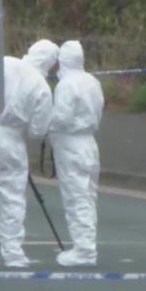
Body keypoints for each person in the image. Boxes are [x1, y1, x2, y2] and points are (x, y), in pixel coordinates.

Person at [0, 39, 59, 268]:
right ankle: (12, 253)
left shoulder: (4, 62)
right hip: (11, 138)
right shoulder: (41, 87)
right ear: (50, 63)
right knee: (12, 196)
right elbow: (38, 131)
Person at [49, 40, 104, 267]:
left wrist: (44, 123)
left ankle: (84, 250)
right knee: (88, 195)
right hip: (89, 142)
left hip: (71, 143)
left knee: (76, 196)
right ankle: (86, 243)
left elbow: (61, 117)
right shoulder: (92, 81)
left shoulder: (67, 85)